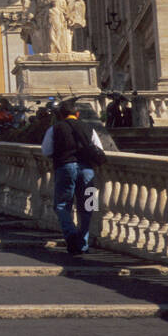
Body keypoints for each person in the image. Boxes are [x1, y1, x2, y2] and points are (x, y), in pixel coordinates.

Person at [41, 98, 106, 255]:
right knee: (89, 206)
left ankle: (71, 235)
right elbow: (99, 148)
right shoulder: (89, 127)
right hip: (88, 171)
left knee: (62, 205)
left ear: (61, 115)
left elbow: (46, 151)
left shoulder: (54, 129)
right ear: (77, 113)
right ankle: (83, 242)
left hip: (65, 168)